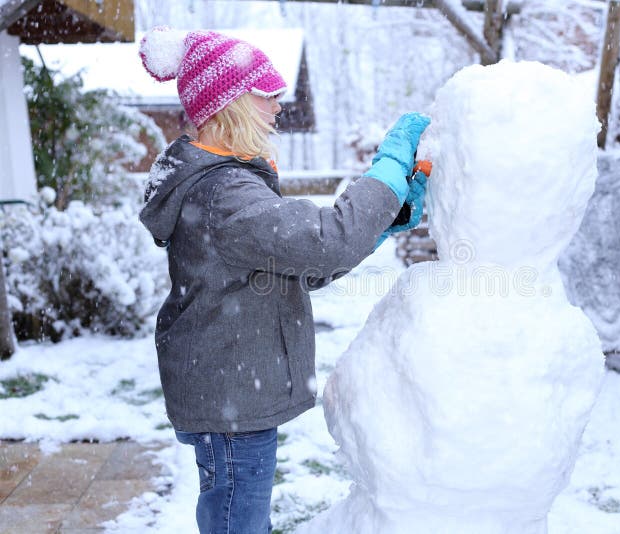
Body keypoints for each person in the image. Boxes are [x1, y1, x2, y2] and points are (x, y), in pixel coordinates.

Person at [137, 27, 430, 533]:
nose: (278, 104)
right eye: (265, 93)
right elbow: (325, 240)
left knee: (236, 514)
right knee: (237, 522)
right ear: (229, 103)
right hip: (229, 400)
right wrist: (387, 170)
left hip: (227, 392)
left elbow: (300, 265)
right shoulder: (225, 193)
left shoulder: (225, 185)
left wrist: (383, 222)